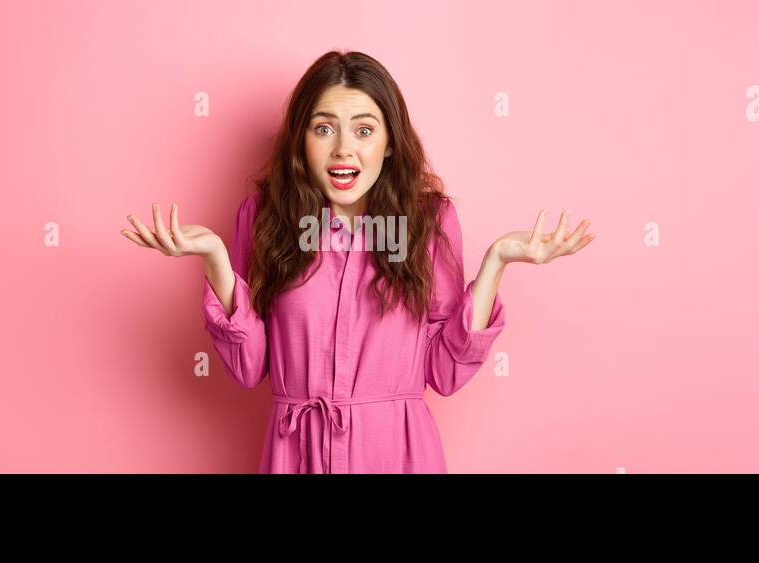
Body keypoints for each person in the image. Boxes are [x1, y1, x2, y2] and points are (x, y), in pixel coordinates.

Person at [121, 51, 595, 473]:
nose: (343, 148)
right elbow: (248, 368)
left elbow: (445, 374)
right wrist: (215, 259)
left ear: (389, 143)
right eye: (323, 128)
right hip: (295, 455)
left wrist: (496, 263)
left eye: (364, 130)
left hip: (397, 454)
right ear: (300, 142)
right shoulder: (263, 218)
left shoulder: (428, 222)